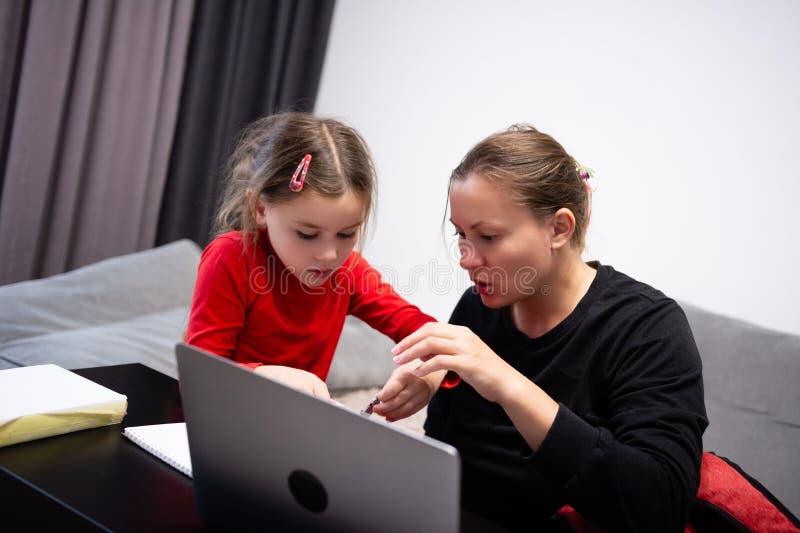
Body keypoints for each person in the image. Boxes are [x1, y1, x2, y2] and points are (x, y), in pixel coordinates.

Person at [384, 124, 708, 532]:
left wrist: (506, 383)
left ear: (558, 228)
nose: (465, 258)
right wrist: (430, 382)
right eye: (461, 234)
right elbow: (445, 463)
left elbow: (659, 506)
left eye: (487, 236)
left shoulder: (648, 327)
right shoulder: (476, 307)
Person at [186, 112, 442, 404]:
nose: (329, 255)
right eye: (307, 235)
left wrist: (428, 371)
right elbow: (198, 374)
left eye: (346, 234)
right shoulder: (231, 256)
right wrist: (269, 375)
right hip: (224, 416)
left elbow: (412, 323)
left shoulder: (348, 270)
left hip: (295, 426)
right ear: (260, 209)